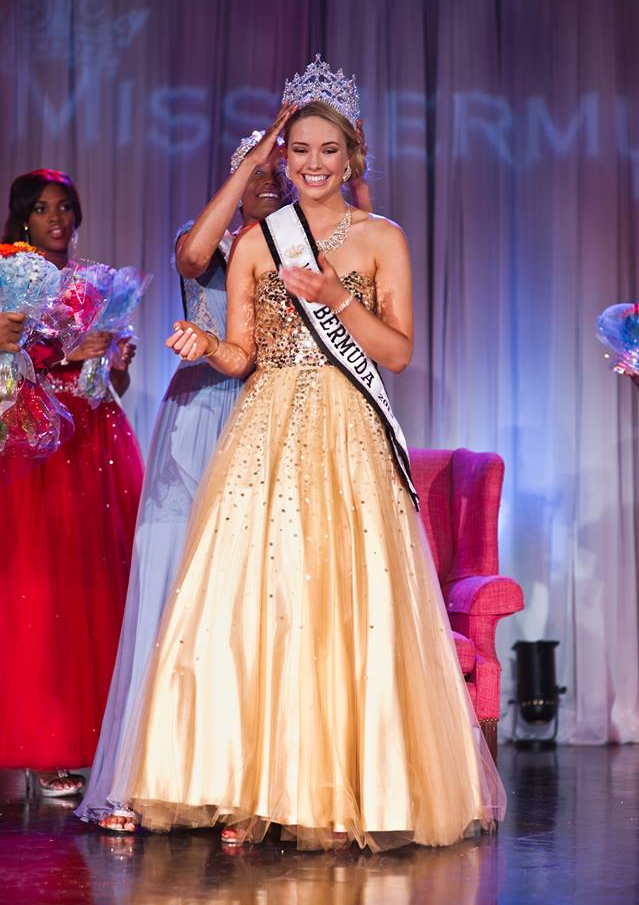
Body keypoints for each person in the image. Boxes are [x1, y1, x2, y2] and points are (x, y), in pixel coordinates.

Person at [109, 57, 506, 852]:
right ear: (280, 159)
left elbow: (395, 353)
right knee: (254, 601)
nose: (314, 165)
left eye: (329, 151)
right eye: (299, 152)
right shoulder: (257, 241)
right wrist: (204, 342)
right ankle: (248, 784)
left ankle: (342, 786)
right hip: (264, 430)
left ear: (352, 156)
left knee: (345, 602)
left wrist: (334, 302)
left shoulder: (380, 238)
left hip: (348, 429)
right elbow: (241, 357)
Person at [76, 108, 295, 828]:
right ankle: (146, 773)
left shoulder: (294, 251)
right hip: (197, 412)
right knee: (171, 576)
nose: (267, 180)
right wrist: (248, 163)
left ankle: (243, 778)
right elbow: (193, 260)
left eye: (277, 170)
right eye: (257, 169)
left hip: (261, 415)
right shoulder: (205, 240)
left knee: (248, 591)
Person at [0, 169, 144, 797]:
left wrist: (112, 364)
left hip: (93, 439)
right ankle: (39, 745)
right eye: (41, 209)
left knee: (94, 591)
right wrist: (36, 349)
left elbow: (111, 388)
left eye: (65, 208)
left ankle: (90, 741)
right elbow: (10, 371)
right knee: (37, 590)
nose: (56, 218)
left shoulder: (92, 285)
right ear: (21, 220)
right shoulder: (9, 279)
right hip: (34, 445)